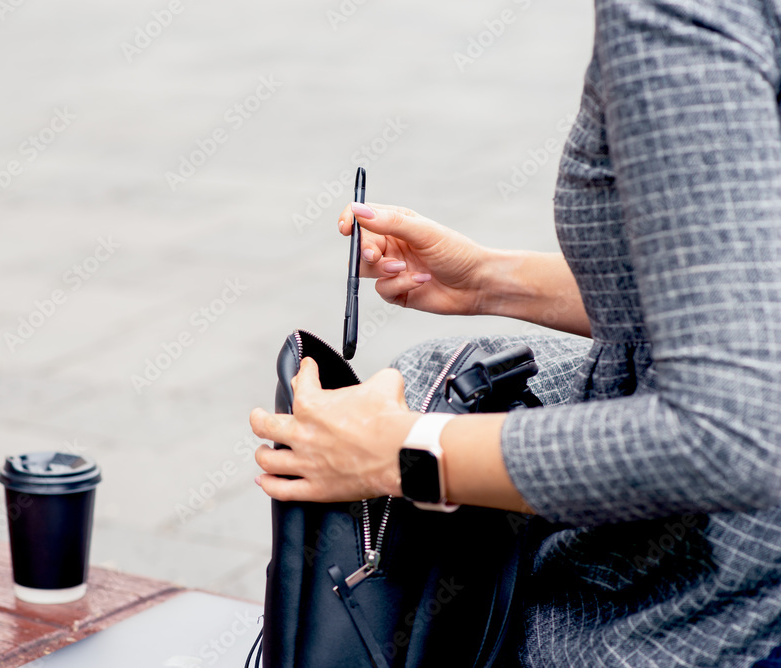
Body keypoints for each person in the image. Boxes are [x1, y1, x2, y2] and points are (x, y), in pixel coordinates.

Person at [249, 1, 781, 666]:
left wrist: (402, 453)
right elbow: (751, 300)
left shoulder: (674, 16)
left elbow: (726, 434)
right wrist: (488, 280)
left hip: (721, 616)